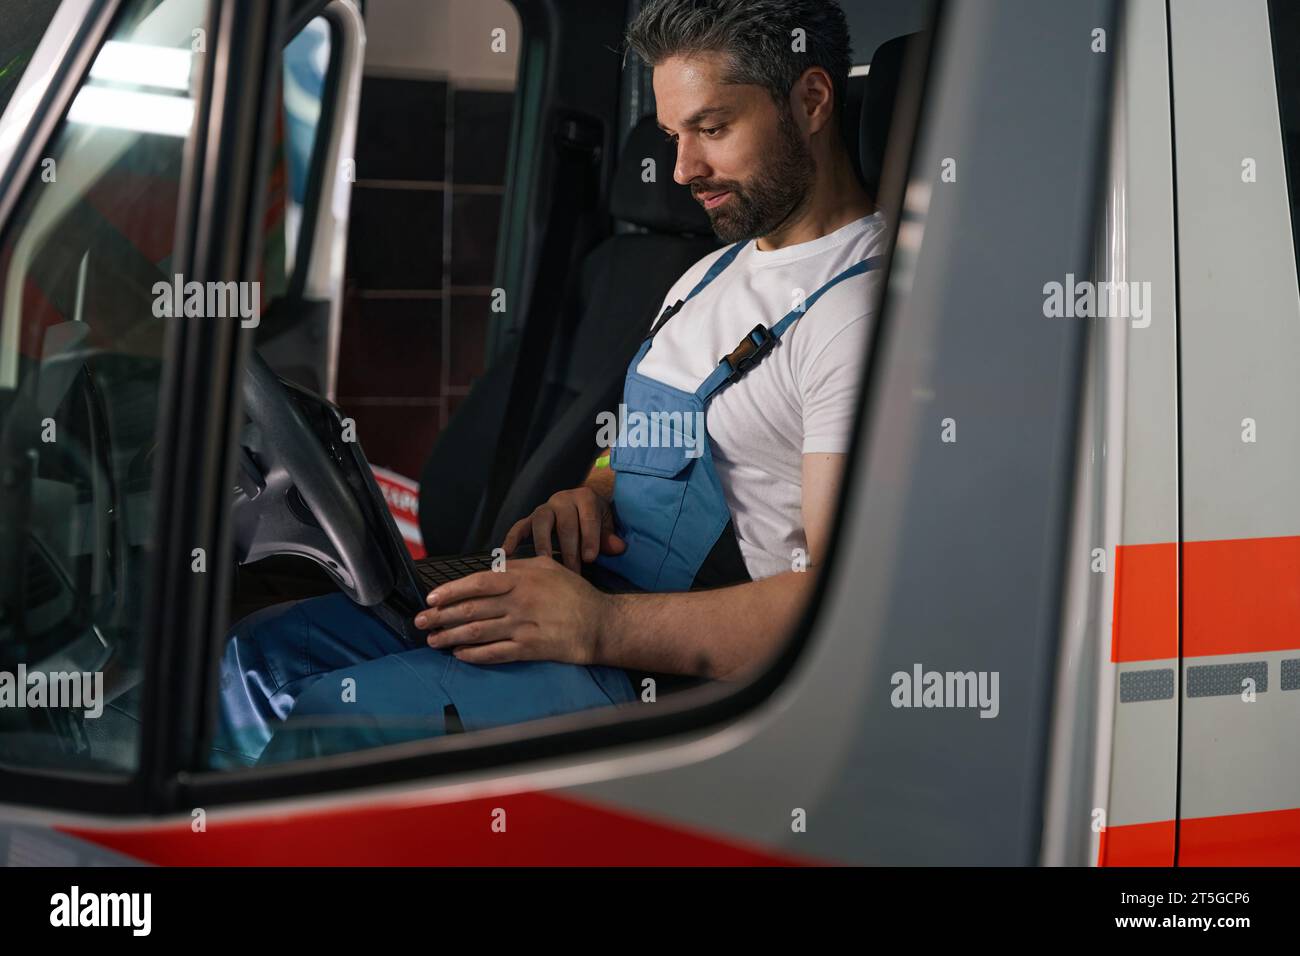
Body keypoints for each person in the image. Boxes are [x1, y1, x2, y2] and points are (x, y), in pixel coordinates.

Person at [213, 0, 888, 768]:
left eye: (712, 129)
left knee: (327, 725)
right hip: (594, 602)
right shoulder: (706, 275)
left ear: (810, 101)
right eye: (673, 137)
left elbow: (844, 611)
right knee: (263, 655)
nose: (681, 171)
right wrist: (597, 495)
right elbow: (654, 444)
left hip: (664, 672)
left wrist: (601, 626)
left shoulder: (858, 316)